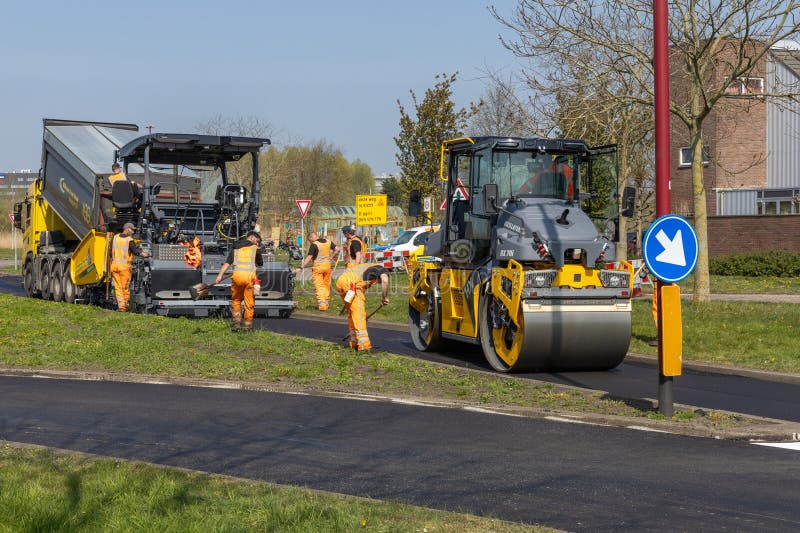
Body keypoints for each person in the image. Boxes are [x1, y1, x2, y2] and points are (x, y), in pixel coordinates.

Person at [215, 230, 264, 332]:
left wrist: (219, 276)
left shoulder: (235, 248)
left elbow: (227, 263)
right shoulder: (255, 249)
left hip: (237, 278)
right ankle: (247, 327)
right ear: (251, 238)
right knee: (249, 303)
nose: (258, 243)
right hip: (250, 279)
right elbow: (260, 264)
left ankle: (236, 323)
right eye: (257, 241)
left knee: (236, 300)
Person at [335, 263, 390, 351]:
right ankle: (364, 346)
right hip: (352, 285)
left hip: (341, 282)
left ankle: (354, 342)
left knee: (352, 314)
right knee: (359, 315)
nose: (379, 284)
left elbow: (360, 284)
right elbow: (385, 281)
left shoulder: (368, 268)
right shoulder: (381, 270)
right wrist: (384, 298)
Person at [110, 222, 150, 312]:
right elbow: (135, 251)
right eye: (132, 230)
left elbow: (110, 252)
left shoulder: (115, 237)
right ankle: (125, 307)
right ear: (127, 229)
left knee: (118, 287)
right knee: (125, 288)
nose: (133, 232)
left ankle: (121, 307)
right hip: (124, 268)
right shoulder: (129, 240)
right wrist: (145, 254)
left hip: (114, 266)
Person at [294, 232, 336, 311]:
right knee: (326, 284)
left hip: (318, 267)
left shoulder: (314, 245)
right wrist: (332, 257)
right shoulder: (328, 241)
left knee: (319, 285)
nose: (310, 242)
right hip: (327, 266)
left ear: (311, 238)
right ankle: (326, 302)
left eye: (310, 240)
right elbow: (337, 249)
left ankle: (322, 305)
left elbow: (309, 257)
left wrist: (301, 267)